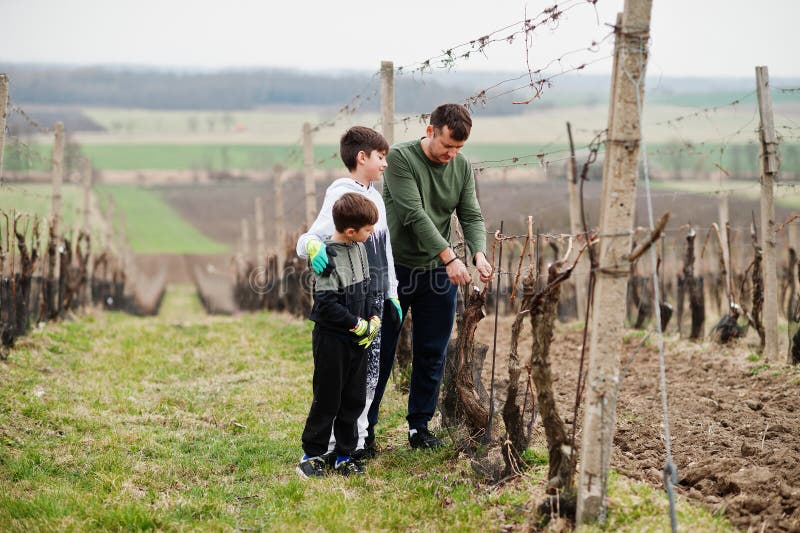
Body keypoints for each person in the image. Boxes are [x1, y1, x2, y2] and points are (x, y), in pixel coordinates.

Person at [369, 103, 493, 450]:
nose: (452, 155)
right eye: (447, 146)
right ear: (430, 131)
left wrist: (477, 253)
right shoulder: (401, 160)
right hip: (393, 270)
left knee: (432, 352)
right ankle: (365, 429)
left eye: (459, 149)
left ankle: (419, 428)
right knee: (381, 349)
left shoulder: (461, 167)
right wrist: (451, 257)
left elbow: (470, 214)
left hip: (436, 273)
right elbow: (413, 215)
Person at [296, 126, 401, 460]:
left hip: (374, 298)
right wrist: (312, 246)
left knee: (366, 379)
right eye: (380, 157)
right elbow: (310, 238)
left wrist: (393, 292)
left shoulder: (376, 198)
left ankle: (357, 443)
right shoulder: (342, 196)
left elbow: (384, 252)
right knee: (343, 382)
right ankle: (327, 449)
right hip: (349, 302)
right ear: (362, 157)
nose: (385, 164)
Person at [296, 192, 382, 478]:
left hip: (356, 339)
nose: (371, 235)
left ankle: (344, 455)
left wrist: (372, 318)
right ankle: (312, 455)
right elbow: (326, 304)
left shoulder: (360, 249)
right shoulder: (329, 257)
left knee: (353, 398)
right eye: (368, 230)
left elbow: (368, 288)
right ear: (350, 231)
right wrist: (356, 324)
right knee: (328, 398)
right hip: (332, 340)